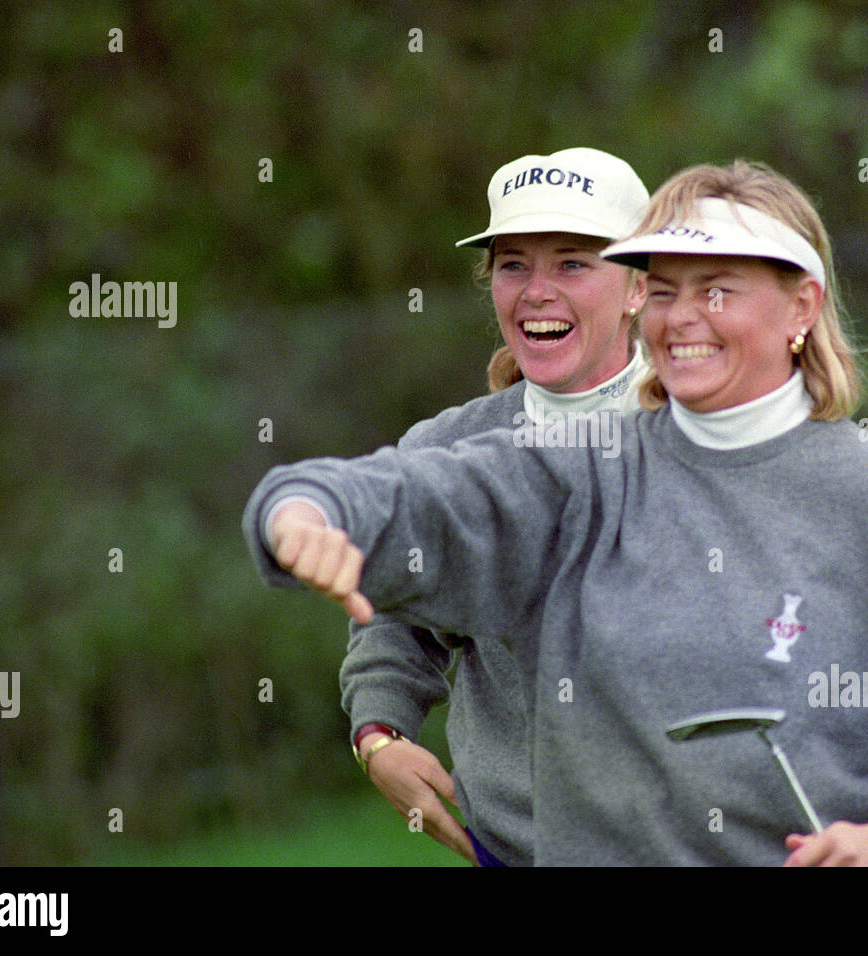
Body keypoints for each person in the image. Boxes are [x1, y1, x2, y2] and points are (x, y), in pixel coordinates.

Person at [244, 160, 868, 865]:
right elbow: (421, 500)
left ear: (802, 307)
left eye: (717, 289)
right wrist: (302, 511)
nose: (681, 318)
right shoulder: (581, 477)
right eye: (666, 289)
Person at [335, 148, 649, 866]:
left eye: (572, 264)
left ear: (638, 287)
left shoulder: (716, 435)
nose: (537, 291)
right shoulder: (448, 448)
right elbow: (392, 615)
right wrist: (378, 735)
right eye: (513, 265)